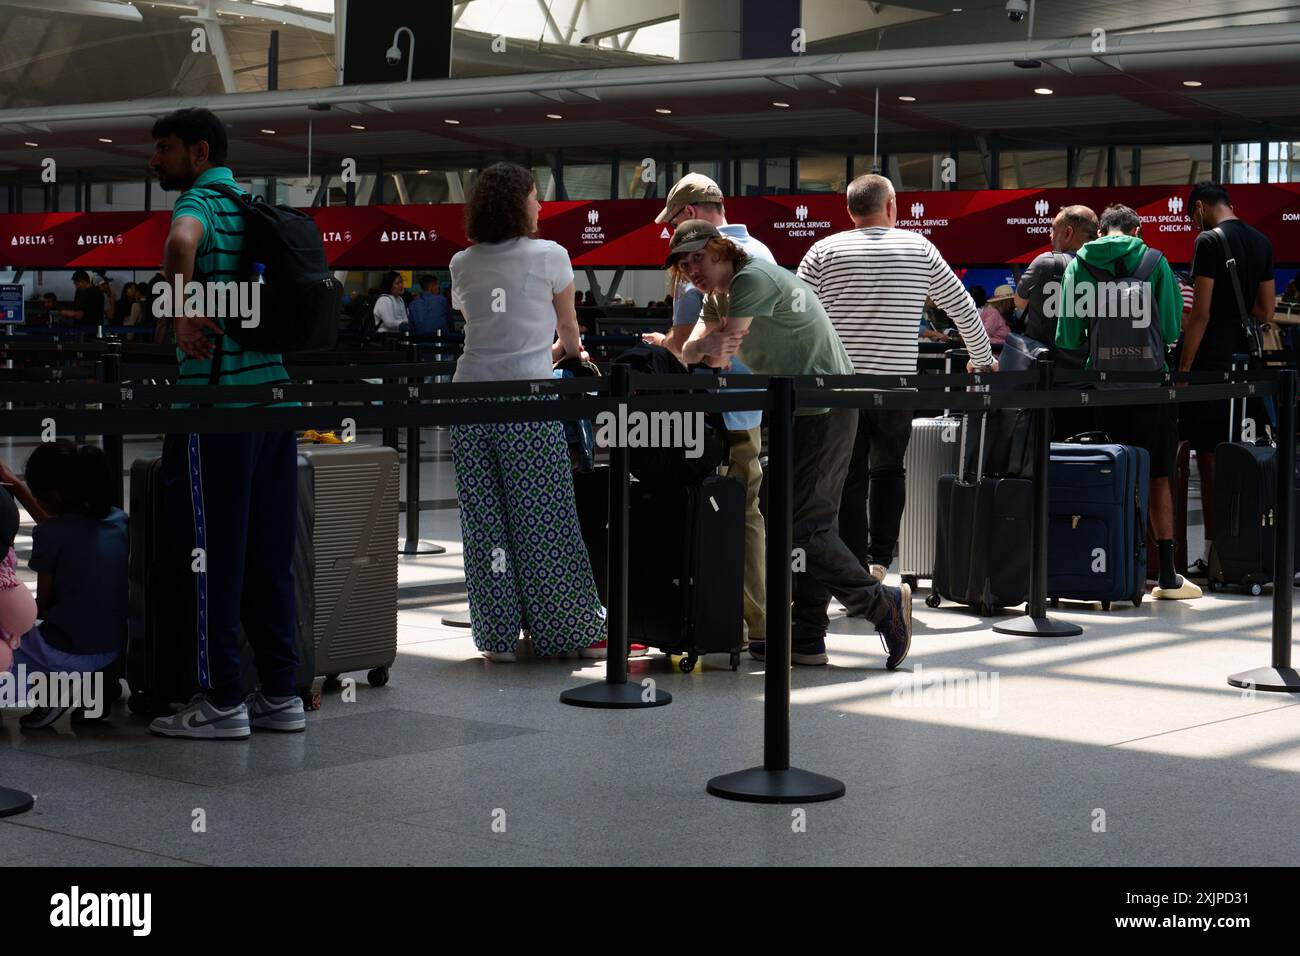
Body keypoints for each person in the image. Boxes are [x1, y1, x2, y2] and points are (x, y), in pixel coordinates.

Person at [670, 219, 913, 669]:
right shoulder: (717, 295)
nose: (692, 270)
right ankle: (805, 635)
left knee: (806, 526)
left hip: (826, 406)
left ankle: (881, 606)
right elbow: (686, 349)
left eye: (697, 258)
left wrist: (704, 345)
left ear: (721, 249)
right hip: (796, 409)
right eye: (684, 265)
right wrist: (701, 345)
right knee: (791, 522)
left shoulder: (750, 278)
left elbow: (718, 353)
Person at [146, 106, 304, 739]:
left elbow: (179, 243)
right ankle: (281, 694)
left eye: (166, 149)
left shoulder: (204, 204)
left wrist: (180, 313)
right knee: (271, 555)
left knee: (211, 556)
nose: (156, 160)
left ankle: (221, 702)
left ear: (200, 152)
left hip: (219, 412)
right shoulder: (253, 205)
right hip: (276, 404)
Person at [448, 161, 613, 662]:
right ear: (520, 204)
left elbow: (477, 321)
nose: (540, 205)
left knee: (485, 523)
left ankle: (496, 637)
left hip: (469, 399)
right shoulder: (551, 255)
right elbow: (569, 334)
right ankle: (565, 631)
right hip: (528, 399)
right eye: (536, 197)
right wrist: (564, 353)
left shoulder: (462, 262)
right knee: (544, 517)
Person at [797, 173, 994, 583]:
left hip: (840, 387)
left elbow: (795, 317)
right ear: (891, 206)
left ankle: (850, 570)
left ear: (849, 209)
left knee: (845, 478)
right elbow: (961, 306)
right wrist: (981, 357)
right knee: (888, 471)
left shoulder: (822, 250)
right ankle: (880, 560)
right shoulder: (918, 247)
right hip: (895, 386)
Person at [647, 172, 774, 651]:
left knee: (705, 511)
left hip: (709, 412)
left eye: (674, 220)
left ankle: (713, 621)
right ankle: (756, 622)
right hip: (751, 407)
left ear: (694, 214)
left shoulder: (697, 266)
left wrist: (669, 344)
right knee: (746, 512)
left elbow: (690, 348)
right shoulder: (762, 252)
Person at [1056, 203, 1200, 599]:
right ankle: (1167, 575)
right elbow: (1171, 328)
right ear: (1136, 230)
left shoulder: (1079, 264)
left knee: (1105, 473)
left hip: (1101, 388)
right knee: (1156, 476)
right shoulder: (1156, 261)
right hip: (1150, 387)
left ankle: (1109, 565)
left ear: (1101, 230)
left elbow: (1068, 337)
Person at [1177, 181, 1276, 576]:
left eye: (1191, 217)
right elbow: (1266, 310)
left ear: (1200, 207)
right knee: (1243, 451)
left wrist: (1184, 368)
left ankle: (1216, 553)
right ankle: (1244, 547)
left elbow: (1199, 312)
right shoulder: (1262, 241)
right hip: (1245, 359)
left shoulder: (1208, 241)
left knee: (1210, 456)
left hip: (1211, 361)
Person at [0, 442, 127, 729]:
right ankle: (92, 686)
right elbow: (62, 534)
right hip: (109, 646)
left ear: (54, 496)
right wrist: (19, 488)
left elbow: (40, 607)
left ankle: (55, 690)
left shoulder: (52, 535)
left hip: (63, 649)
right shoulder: (118, 521)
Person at [406, 273, 451, 338]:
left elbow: (412, 327)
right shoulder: (442, 300)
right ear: (431, 286)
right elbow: (449, 322)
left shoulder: (412, 305)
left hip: (420, 343)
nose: (438, 287)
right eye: (437, 285)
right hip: (441, 341)